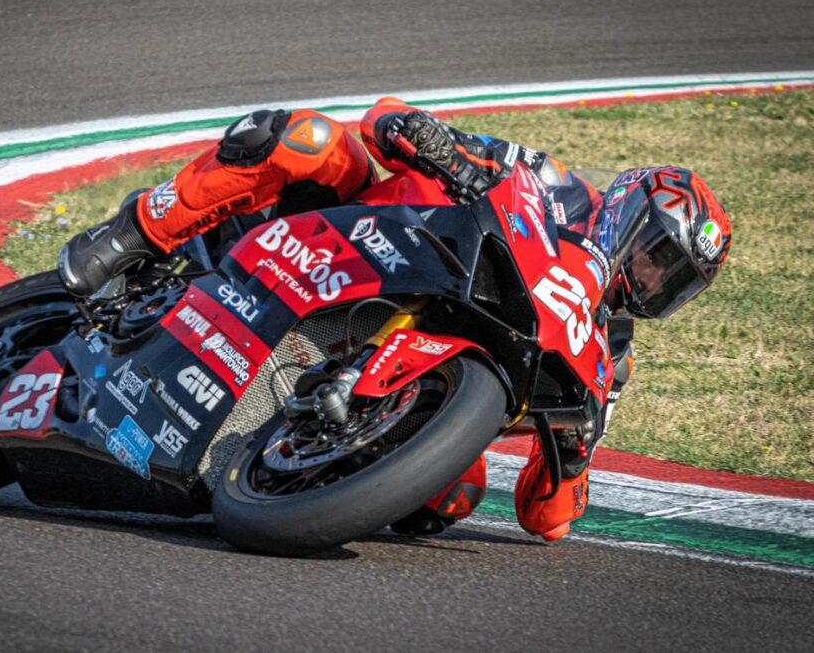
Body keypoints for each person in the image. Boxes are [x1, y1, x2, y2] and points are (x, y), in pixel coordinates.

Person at [57, 97, 732, 541]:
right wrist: (431, 141)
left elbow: (546, 519)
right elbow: (385, 120)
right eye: (657, 257)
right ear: (629, 210)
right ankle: (129, 236)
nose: (650, 281)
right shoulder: (550, 183)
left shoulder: (608, 352)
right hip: (367, 240)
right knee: (303, 137)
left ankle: (289, 466)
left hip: (418, 375)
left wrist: (575, 454)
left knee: (453, 497)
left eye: (671, 285)